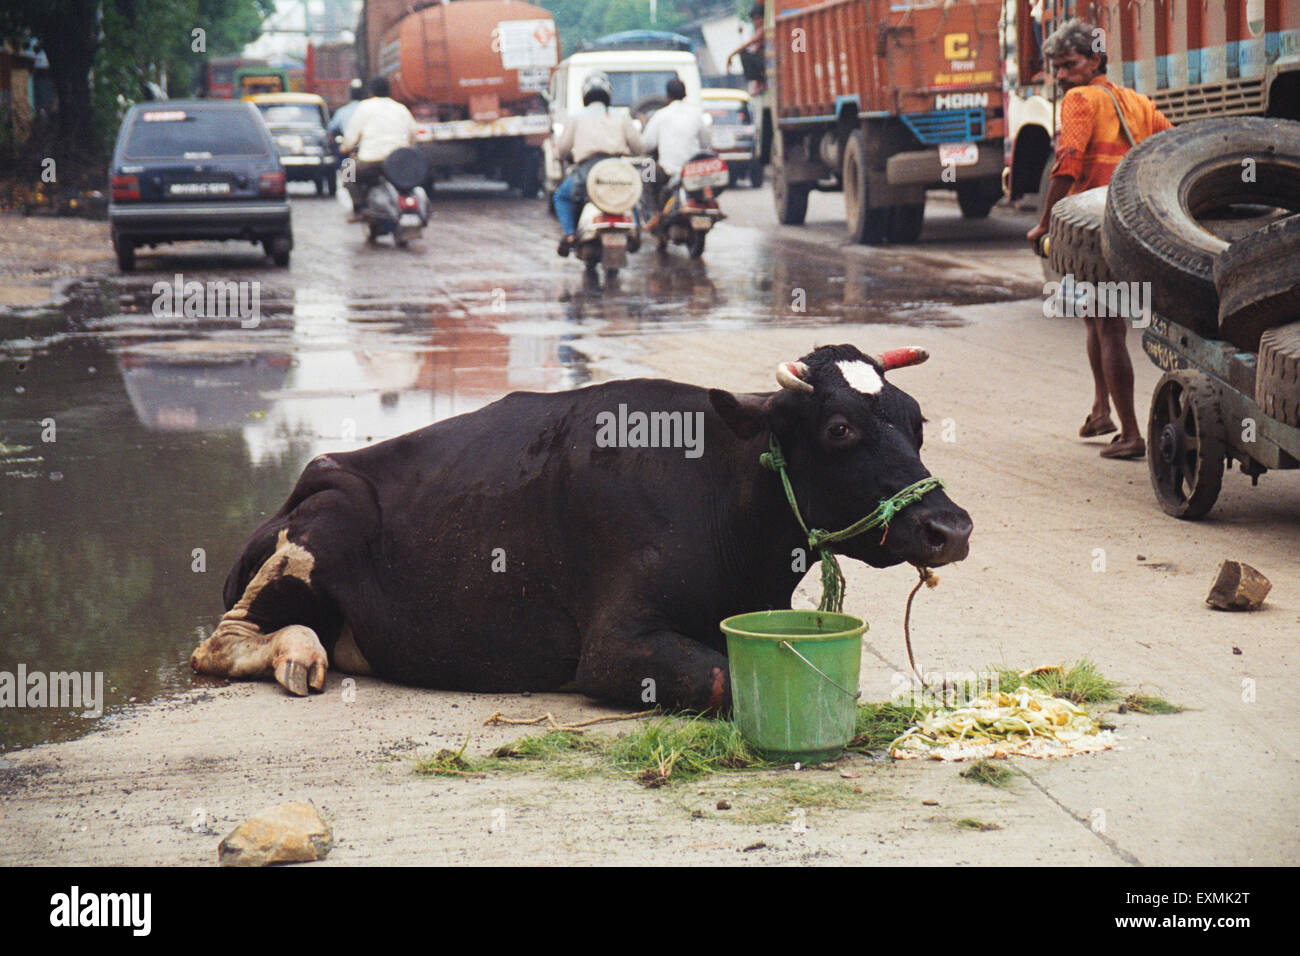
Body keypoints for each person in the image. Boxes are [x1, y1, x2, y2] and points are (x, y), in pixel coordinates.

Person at [1026, 18, 1172, 461]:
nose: (1063, 76)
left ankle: (1130, 432)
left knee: (1109, 326)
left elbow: (1067, 165)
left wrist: (1044, 222)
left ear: (1095, 60)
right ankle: (1100, 410)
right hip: (1128, 223)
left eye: (1069, 64)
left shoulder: (1079, 100)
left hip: (1093, 228)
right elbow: (1170, 147)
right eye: (1057, 68)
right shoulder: (1138, 103)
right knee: (1094, 319)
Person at [552, 72, 644, 257]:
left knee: (561, 197)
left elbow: (562, 150)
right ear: (608, 94)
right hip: (617, 169)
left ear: (585, 95)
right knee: (631, 196)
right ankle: (635, 230)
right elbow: (639, 148)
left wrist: (563, 155)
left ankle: (570, 234)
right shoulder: (622, 116)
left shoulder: (576, 117)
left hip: (587, 171)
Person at [339, 76, 419, 221]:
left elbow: (352, 135)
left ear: (371, 92)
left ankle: (359, 208)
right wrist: (408, 148)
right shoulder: (400, 108)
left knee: (347, 172)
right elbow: (413, 132)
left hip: (371, 159)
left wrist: (345, 147)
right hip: (398, 160)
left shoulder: (365, 106)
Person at [639, 78, 711, 227]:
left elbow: (646, 144)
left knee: (647, 168)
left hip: (668, 170)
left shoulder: (661, 115)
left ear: (668, 96)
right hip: (693, 170)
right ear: (685, 94)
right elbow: (706, 143)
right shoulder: (696, 114)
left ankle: (654, 213)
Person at [726, 3, 766, 95]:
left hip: (766, 63)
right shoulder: (758, 31)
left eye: (759, 19)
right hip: (764, 63)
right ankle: (759, 83)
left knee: (744, 54)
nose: (757, 22)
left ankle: (760, 82)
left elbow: (747, 45)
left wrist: (730, 56)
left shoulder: (762, 30)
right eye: (754, 20)